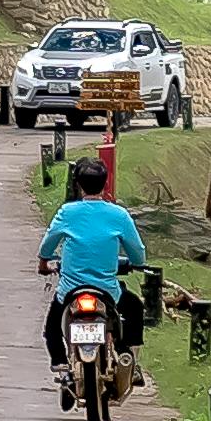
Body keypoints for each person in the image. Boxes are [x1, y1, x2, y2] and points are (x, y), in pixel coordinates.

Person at [36, 148, 142, 382]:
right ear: (105, 184)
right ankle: (130, 359)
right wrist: (136, 263)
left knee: (52, 327)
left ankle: (60, 363)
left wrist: (44, 262)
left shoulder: (68, 212)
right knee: (133, 309)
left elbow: (48, 244)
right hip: (107, 291)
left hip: (70, 291)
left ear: (79, 186)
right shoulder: (119, 214)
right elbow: (138, 252)